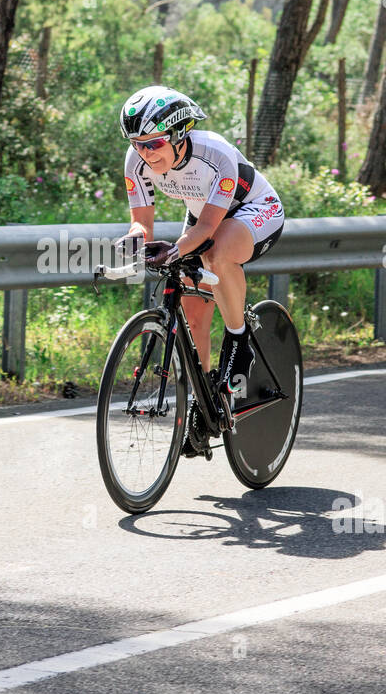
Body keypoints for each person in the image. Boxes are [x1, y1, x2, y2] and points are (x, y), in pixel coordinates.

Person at [116, 84, 285, 457]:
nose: (144, 152)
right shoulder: (136, 159)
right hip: (202, 214)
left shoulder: (216, 154)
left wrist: (176, 249)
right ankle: (205, 400)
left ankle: (239, 340)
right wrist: (133, 241)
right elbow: (141, 223)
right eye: (137, 143)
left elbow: (207, 231)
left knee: (217, 254)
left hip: (253, 209)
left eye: (154, 143)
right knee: (193, 312)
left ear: (178, 134)